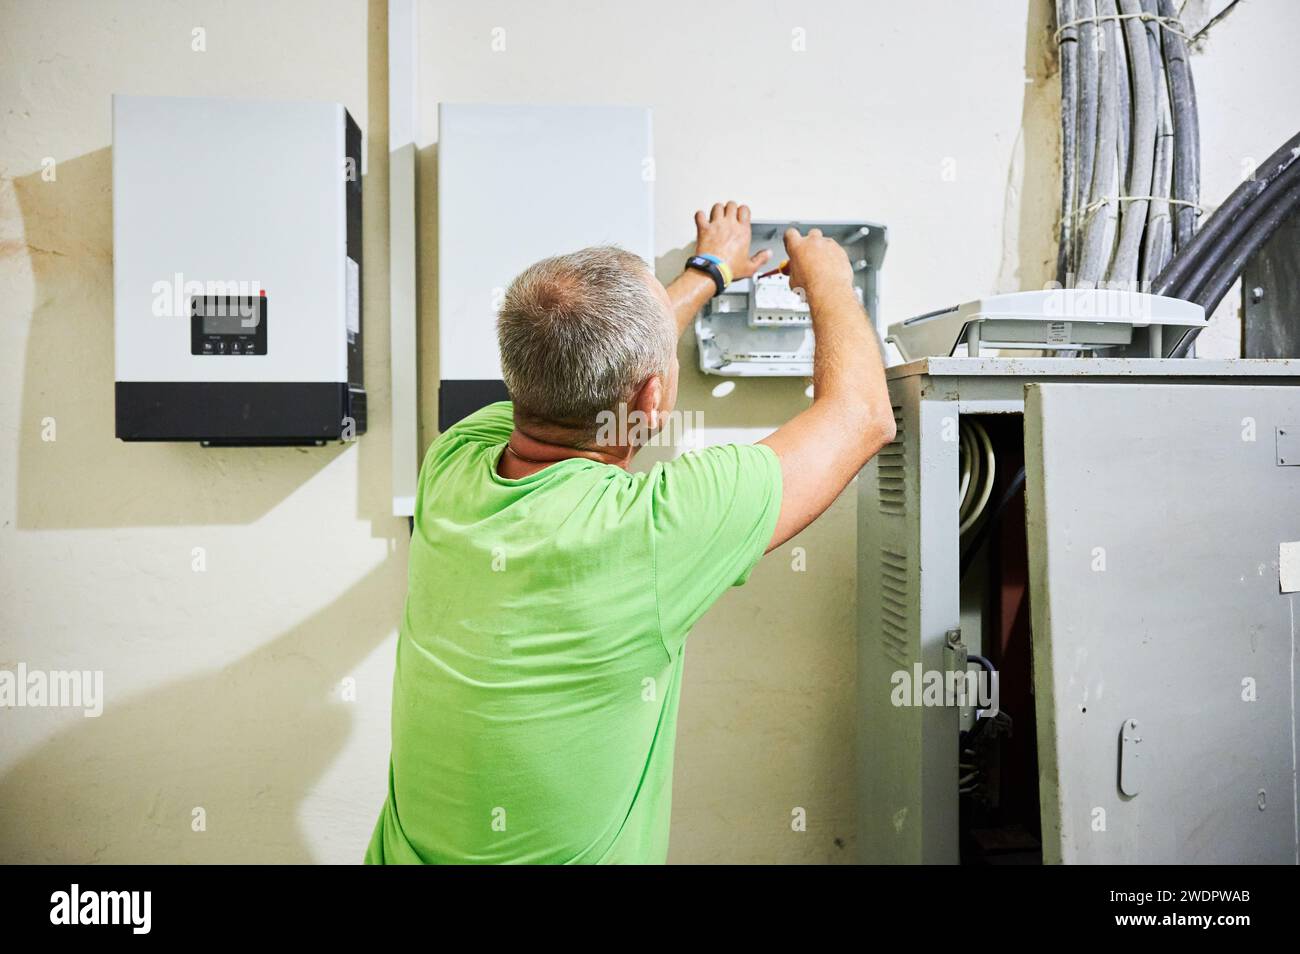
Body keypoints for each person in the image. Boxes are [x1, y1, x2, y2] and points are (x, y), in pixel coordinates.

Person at [365, 202, 895, 864]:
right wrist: (830, 278)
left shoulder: (454, 463)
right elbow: (864, 416)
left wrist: (709, 270)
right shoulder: (650, 531)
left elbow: (582, 362)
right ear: (651, 400)